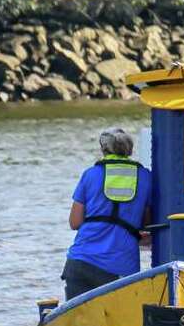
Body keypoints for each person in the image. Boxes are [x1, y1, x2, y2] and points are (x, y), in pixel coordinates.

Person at [62, 128, 155, 301]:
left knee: (80, 322)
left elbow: (75, 222)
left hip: (81, 262)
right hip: (120, 267)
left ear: (103, 150)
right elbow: (146, 222)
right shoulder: (145, 177)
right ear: (130, 150)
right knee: (116, 324)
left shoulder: (90, 175)